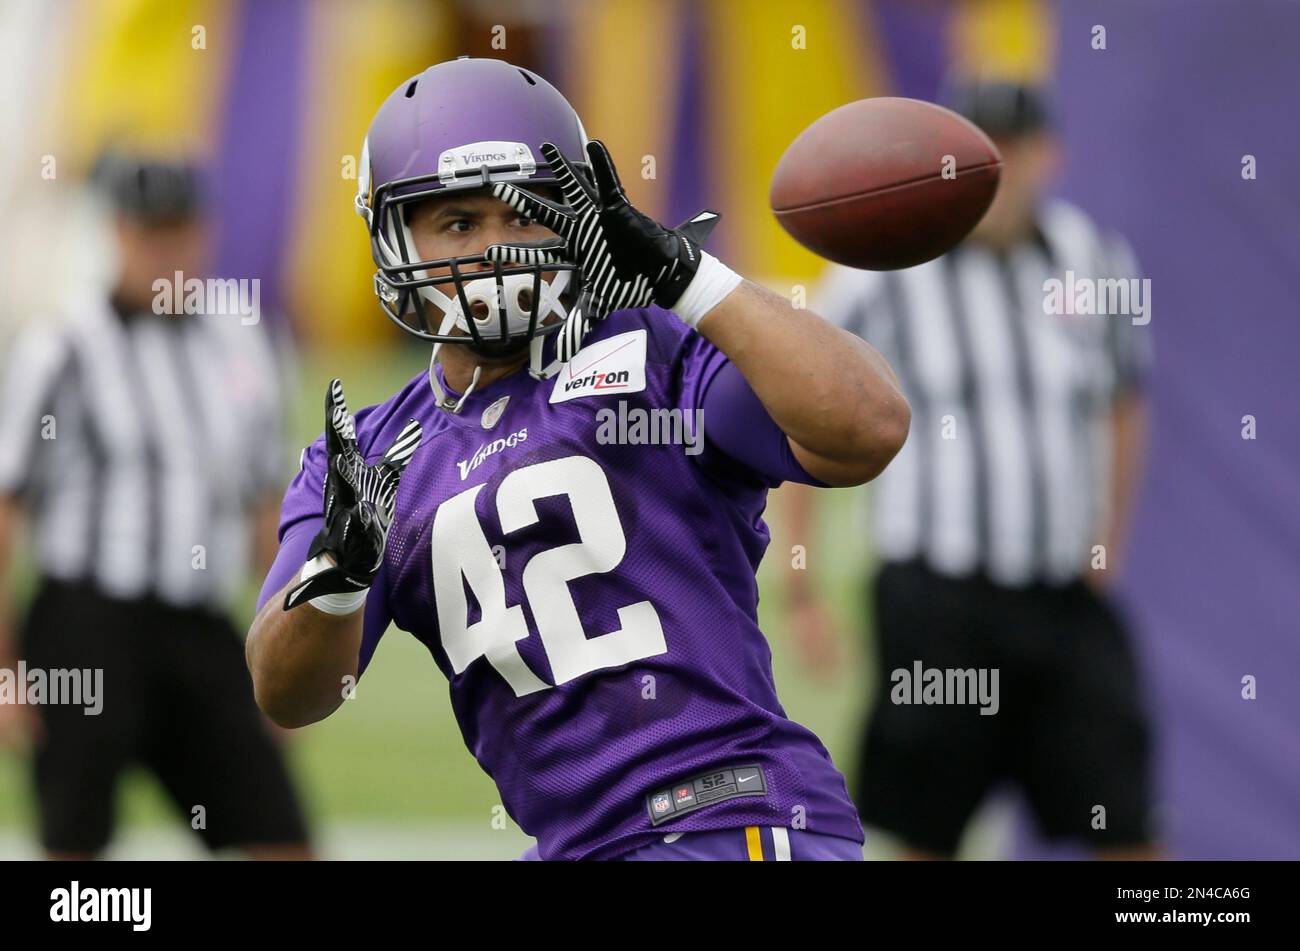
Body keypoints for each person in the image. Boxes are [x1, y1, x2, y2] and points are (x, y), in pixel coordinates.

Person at [245, 57, 910, 861]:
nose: (495, 247)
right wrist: (339, 576)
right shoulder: (372, 454)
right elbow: (286, 693)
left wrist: (687, 278)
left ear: (576, 218)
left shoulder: (656, 351)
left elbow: (869, 425)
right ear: (392, 239)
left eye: (525, 215)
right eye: (459, 223)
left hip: (723, 814)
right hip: (579, 846)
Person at [784, 79, 1158, 859]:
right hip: (938, 597)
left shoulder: (1092, 258)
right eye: (981, 152)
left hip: (1062, 597)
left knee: (1128, 824)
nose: (1002, 170)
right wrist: (802, 581)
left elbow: (1124, 399)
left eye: (1014, 148)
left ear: (1046, 155)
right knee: (924, 832)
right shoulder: (883, 264)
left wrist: (1106, 540)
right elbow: (801, 400)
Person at [0, 154, 312, 859]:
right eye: (149, 233)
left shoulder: (245, 342)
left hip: (200, 627)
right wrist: (5, 669)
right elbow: (5, 511)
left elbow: (269, 507)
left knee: (279, 837)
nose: (165, 251)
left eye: (178, 231)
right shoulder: (63, 346)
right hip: (87, 624)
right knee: (75, 851)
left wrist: (289, 652)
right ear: (117, 233)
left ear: (203, 233)